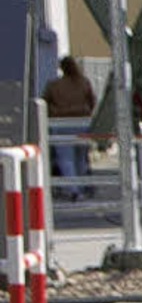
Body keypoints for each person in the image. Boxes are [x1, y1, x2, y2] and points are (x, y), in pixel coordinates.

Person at [42, 55, 96, 199]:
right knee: (81, 158)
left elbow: (45, 103)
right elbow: (92, 102)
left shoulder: (53, 85)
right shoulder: (84, 82)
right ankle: (83, 186)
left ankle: (73, 189)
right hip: (82, 123)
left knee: (65, 158)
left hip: (60, 123)